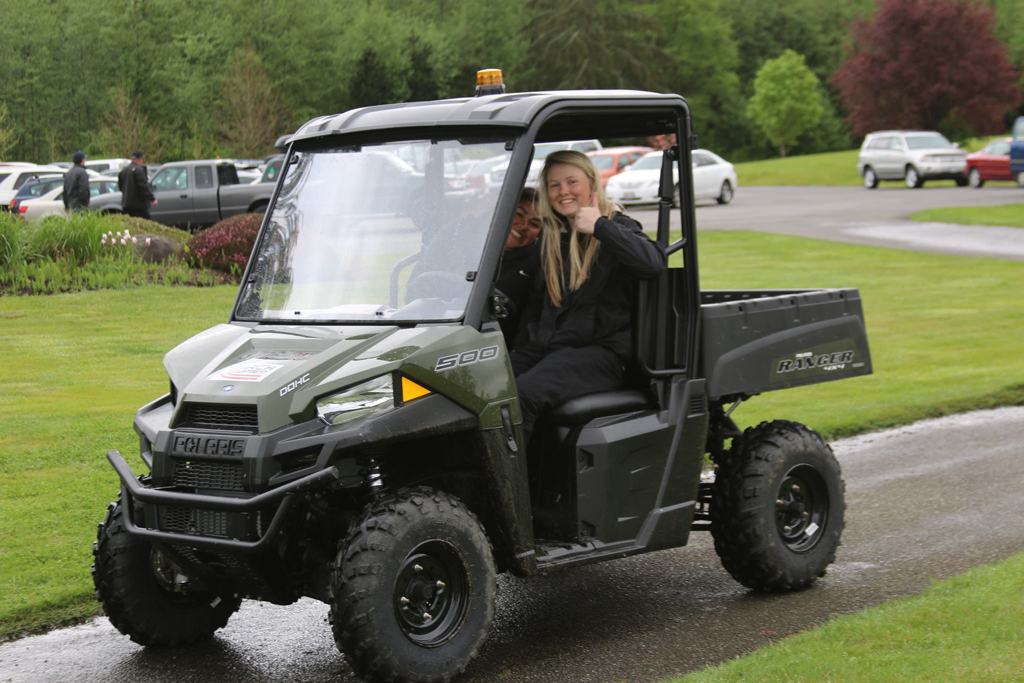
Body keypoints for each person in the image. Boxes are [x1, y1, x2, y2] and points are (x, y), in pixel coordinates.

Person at [510, 150, 666, 444]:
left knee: (521, 396)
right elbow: (536, 306)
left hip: (600, 355)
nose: (563, 191)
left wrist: (600, 227)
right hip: (548, 351)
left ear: (592, 184)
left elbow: (654, 263)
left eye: (572, 182)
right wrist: (519, 349)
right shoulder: (553, 237)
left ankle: (512, 489)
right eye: (554, 185)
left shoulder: (616, 227)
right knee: (483, 388)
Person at [495, 187, 542, 347]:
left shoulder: (532, 266)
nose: (523, 225)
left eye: (534, 224)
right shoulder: (478, 251)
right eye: (519, 214)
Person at [118, 150, 157, 219]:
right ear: (139, 159)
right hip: (139, 205)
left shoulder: (124, 170)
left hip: (126, 204)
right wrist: (152, 198)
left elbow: (120, 186)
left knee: (131, 223)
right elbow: (144, 186)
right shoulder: (139, 170)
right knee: (146, 222)